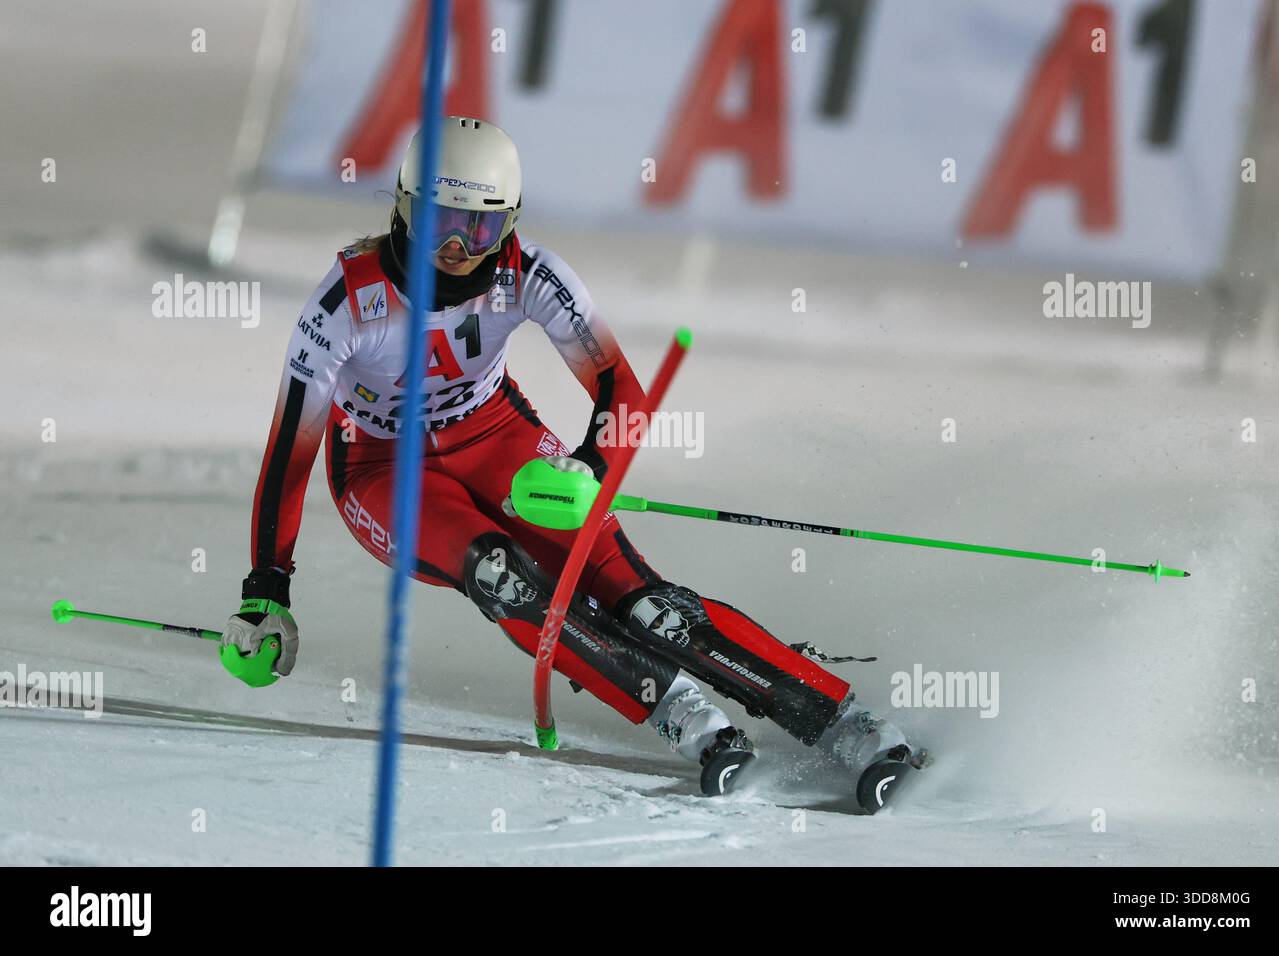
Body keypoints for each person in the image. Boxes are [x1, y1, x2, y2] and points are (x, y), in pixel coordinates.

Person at [219, 115, 916, 800]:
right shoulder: (344, 303)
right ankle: (677, 711)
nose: (459, 247)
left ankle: (842, 720)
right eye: (440, 222)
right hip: (381, 470)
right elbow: (290, 453)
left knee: (647, 607)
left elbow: (621, 389)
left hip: (494, 437)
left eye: (481, 227)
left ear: (510, 225)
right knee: (501, 575)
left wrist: (591, 466)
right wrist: (267, 586)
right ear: (405, 210)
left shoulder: (531, 273)